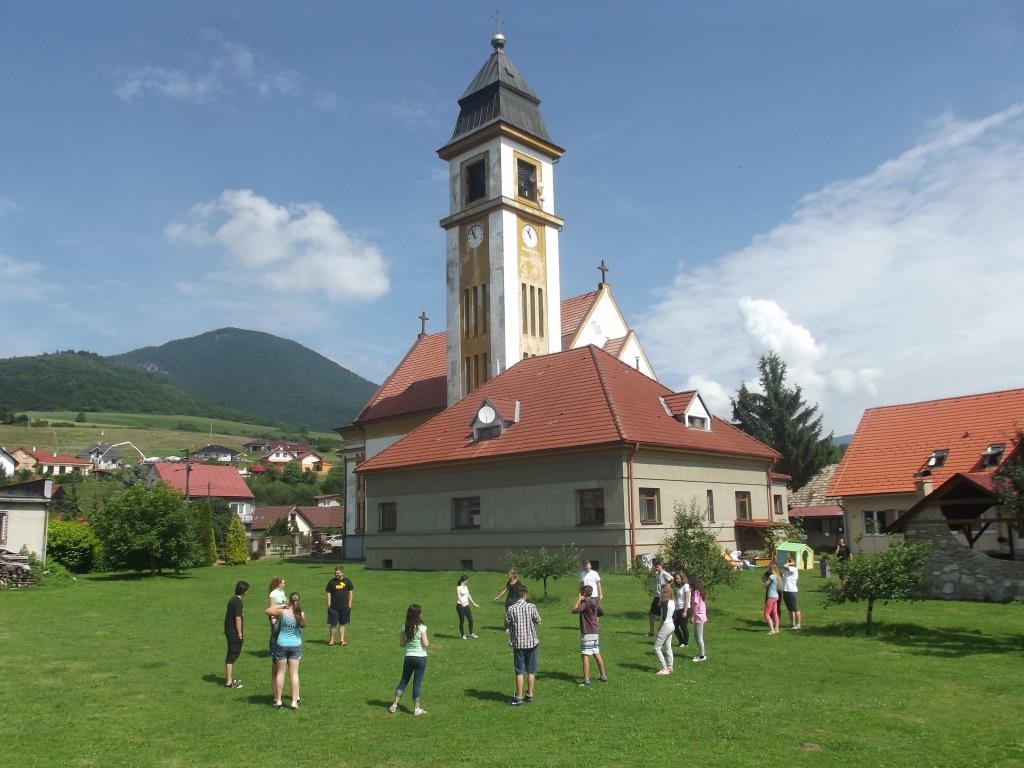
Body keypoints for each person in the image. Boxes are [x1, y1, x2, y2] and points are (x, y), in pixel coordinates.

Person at [388, 604, 430, 716]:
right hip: (420, 658)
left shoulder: (405, 626)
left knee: (404, 679)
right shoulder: (422, 627)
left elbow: (402, 644)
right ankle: (417, 709)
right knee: (417, 682)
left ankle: (394, 705)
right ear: (418, 614)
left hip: (408, 657)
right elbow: (425, 644)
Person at [266, 591, 305, 709]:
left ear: (289, 600)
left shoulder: (283, 612)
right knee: (294, 674)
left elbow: (267, 611)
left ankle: (278, 700)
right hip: (295, 645)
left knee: (280, 673)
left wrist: (282, 605)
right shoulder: (301, 614)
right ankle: (294, 701)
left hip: (282, 644)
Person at [504, 584, 541, 706]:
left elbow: (506, 625)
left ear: (516, 596)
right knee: (531, 671)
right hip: (531, 643)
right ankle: (529, 694)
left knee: (519, 671)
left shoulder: (511, 609)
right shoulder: (531, 607)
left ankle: (519, 696)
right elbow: (538, 621)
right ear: (525, 594)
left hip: (518, 644)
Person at [570, 585, 607, 685]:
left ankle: (586, 679)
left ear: (584, 594)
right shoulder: (595, 601)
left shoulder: (585, 602)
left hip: (587, 632)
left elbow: (574, 610)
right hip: (595, 631)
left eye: (581, 593)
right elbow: (601, 612)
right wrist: (594, 617)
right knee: (596, 652)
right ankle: (603, 676)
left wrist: (579, 600)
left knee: (585, 654)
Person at [223, 580, 248, 688]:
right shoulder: (238, 602)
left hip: (229, 630)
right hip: (233, 632)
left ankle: (229, 677)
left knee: (233, 654)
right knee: (232, 655)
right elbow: (237, 618)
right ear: (244, 591)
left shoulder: (233, 599)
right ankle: (229, 682)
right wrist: (240, 634)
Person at [325, 567, 354, 646]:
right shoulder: (331, 582)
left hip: (345, 607)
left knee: (342, 624)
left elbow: (350, 593)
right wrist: (328, 605)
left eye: (338, 573)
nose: (336, 574)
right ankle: (331, 640)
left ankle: (342, 640)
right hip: (333, 607)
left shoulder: (347, 581)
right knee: (333, 624)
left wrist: (350, 604)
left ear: (342, 573)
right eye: (335, 573)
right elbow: (328, 593)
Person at [267, 577, 288, 689]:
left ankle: (280, 648)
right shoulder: (273, 594)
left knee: (280, 632)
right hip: (275, 616)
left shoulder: (281, 592)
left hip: (282, 615)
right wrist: (272, 617)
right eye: (283, 582)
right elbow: (271, 607)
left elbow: (284, 601)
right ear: (278, 583)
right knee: (275, 633)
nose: (284, 584)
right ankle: (273, 650)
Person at [652, 582, 675, 675]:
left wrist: (660, 626)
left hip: (666, 625)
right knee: (668, 647)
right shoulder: (673, 602)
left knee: (656, 648)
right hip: (671, 625)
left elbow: (664, 616)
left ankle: (664, 668)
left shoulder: (665, 602)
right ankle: (670, 666)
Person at [648, 558, 673, 636]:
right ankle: (652, 632)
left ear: (661, 565)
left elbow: (672, 579)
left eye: (657, 566)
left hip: (661, 597)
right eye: (655, 566)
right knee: (651, 614)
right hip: (656, 596)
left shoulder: (664, 573)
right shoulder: (657, 574)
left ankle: (661, 631)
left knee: (663, 615)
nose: (656, 568)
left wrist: (667, 586)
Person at [455, 575, 481, 639]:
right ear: (464, 580)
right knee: (462, 620)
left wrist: (473, 603)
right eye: (467, 580)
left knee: (470, 619)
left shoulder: (465, 587)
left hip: (466, 605)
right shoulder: (458, 587)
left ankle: (471, 633)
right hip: (460, 606)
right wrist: (462, 603)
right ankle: (463, 635)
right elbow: (458, 596)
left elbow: (468, 595)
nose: (467, 581)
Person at [690, 575, 708, 662]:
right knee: (696, 636)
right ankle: (701, 652)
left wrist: (692, 616)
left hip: (699, 616)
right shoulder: (700, 591)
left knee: (699, 637)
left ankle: (702, 655)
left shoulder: (696, 592)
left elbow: (696, 605)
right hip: (700, 615)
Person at [782, 556, 802, 629]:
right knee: (790, 609)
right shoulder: (786, 571)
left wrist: (790, 563)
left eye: (786, 561)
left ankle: (798, 624)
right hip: (785, 590)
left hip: (792, 591)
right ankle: (792, 624)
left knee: (795, 608)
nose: (785, 563)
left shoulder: (793, 569)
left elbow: (785, 566)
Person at [672, 571, 691, 648]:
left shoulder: (686, 586)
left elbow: (687, 598)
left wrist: (685, 611)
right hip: (677, 608)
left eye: (677, 578)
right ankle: (681, 642)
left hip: (684, 608)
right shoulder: (677, 587)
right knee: (674, 626)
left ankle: (685, 643)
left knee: (683, 626)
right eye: (675, 578)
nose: (676, 580)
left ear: (681, 578)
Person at [763, 564, 781, 634]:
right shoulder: (778, 576)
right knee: (775, 613)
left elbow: (765, 585)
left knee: (766, 614)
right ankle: (776, 629)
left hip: (771, 596)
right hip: (776, 596)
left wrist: (765, 580)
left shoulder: (771, 576)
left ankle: (772, 630)